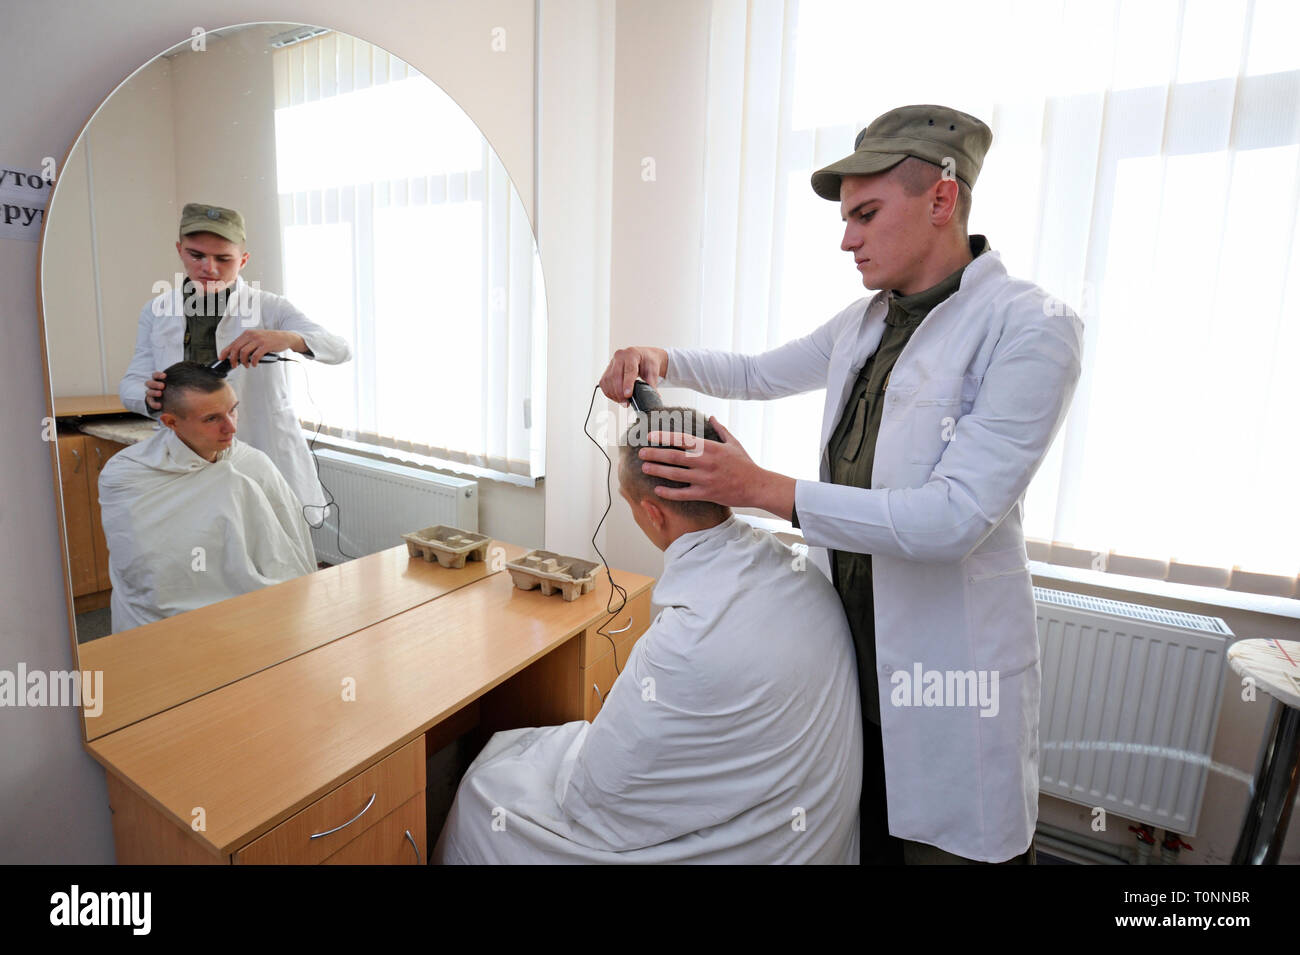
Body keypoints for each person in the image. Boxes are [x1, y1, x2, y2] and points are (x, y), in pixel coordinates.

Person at [599, 105, 1084, 864]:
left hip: (947, 680)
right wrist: (662, 357)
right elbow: (759, 372)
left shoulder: (1029, 326)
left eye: (865, 214)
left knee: (945, 854)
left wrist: (760, 487)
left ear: (941, 200)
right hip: (850, 670)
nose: (846, 237)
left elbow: (951, 518)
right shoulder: (867, 322)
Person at [433, 408, 863, 864]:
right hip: (813, 833)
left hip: (752, 839)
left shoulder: (682, 642)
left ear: (654, 514)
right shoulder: (802, 576)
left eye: (628, 500)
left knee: (487, 786)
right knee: (541, 745)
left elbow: (592, 804)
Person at [119, 202, 352, 516]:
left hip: (261, 447)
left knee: (275, 545)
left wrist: (289, 339)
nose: (209, 268)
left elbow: (340, 349)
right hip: (188, 453)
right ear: (180, 251)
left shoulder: (270, 308)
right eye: (196, 255)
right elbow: (132, 382)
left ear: (243, 260)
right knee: (206, 542)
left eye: (223, 258)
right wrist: (149, 397)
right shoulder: (157, 310)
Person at [100, 361, 317, 633]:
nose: (231, 428)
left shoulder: (252, 463)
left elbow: (291, 540)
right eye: (212, 419)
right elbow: (145, 569)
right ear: (171, 422)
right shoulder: (127, 474)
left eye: (233, 411)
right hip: (163, 624)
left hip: (251, 614)